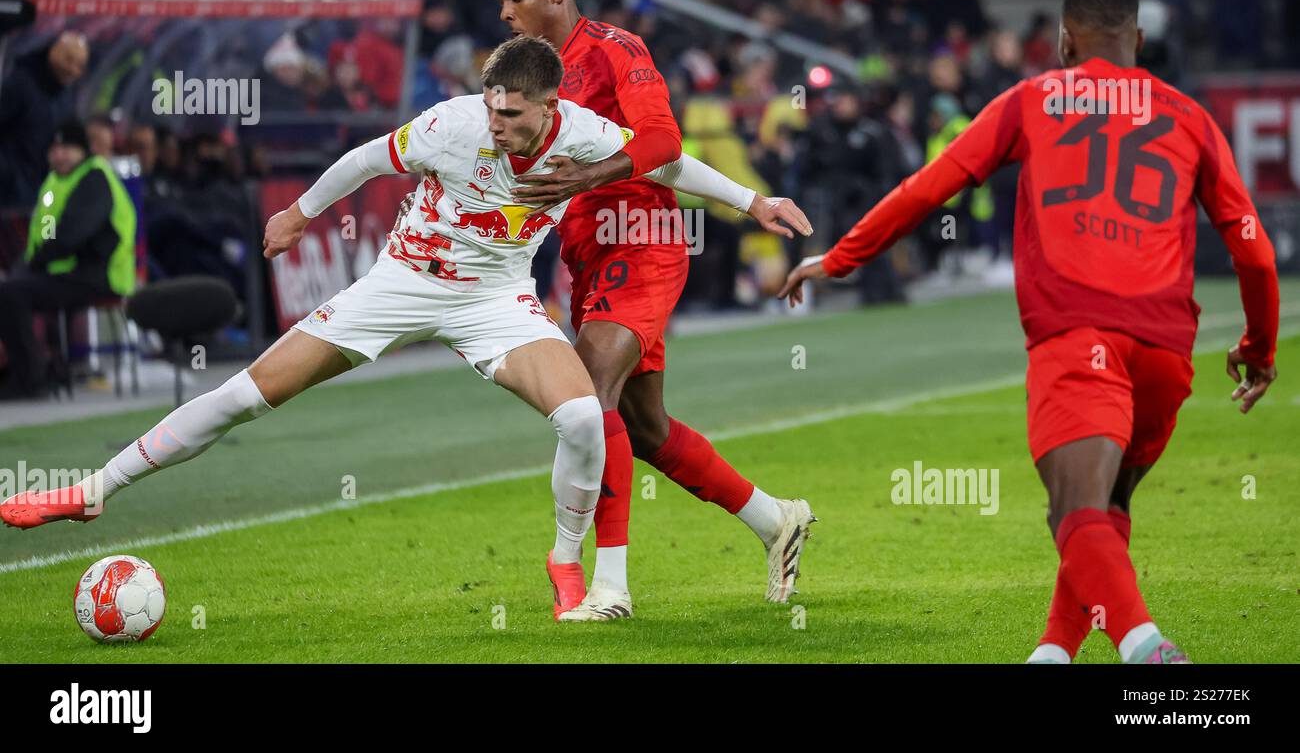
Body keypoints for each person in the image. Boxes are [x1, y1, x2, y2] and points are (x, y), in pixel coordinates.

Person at [2, 36, 810, 621]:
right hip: (401, 284)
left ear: (550, 107)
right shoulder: (452, 124)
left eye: (513, 113)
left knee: (581, 416)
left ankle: (566, 565)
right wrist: (298, 213)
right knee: (250, 394)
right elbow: (363, 159)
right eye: (492, 108)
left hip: (494, 298)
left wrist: (756, 203)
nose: (497, 126)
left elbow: (669, 165)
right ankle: (96, 489)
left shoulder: (589, 139)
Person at [780, 0, 1280, 664]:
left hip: (1078, 336)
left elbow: (926, 188)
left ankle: (1146, 648)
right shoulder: (1190, 116)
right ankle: (1053, 651)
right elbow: (1254, 251)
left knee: (1074, 512)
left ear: (1064, 41)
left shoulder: (1031, 99)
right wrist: (1259, 344)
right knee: (1104, 510)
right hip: (1166, 353)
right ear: (1137, 39)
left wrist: (839, 257)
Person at [494, 0, 816, 621]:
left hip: (641, 238)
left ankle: (609, 587)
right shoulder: (527, 76)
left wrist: (747, 202)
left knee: (587, 391)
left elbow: (662, 145)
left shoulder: (615, 49)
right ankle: (775, 520)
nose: (504, 10)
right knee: (644, 427)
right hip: (588, 252)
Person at [0, 119, 136, 398]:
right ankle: (39, 370)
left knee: (12, 294)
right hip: (65, 272)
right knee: (12, 289)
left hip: (99, 276)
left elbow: (71, 235)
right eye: (55, 148)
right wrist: (27, 266)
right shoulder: (56, 180)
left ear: (82, 151)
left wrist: (34, 264)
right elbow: (43, 236)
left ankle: (32, 379)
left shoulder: (95, 177)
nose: (59, 155)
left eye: (67, 148)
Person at [0, 31, 88, 209]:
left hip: (40, 195)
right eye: (69, 59)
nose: (73, 69)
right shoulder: (21, 84)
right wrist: (8, 174)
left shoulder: (66, 96)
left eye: (80, 65)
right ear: (52, 51)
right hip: (9, 194)